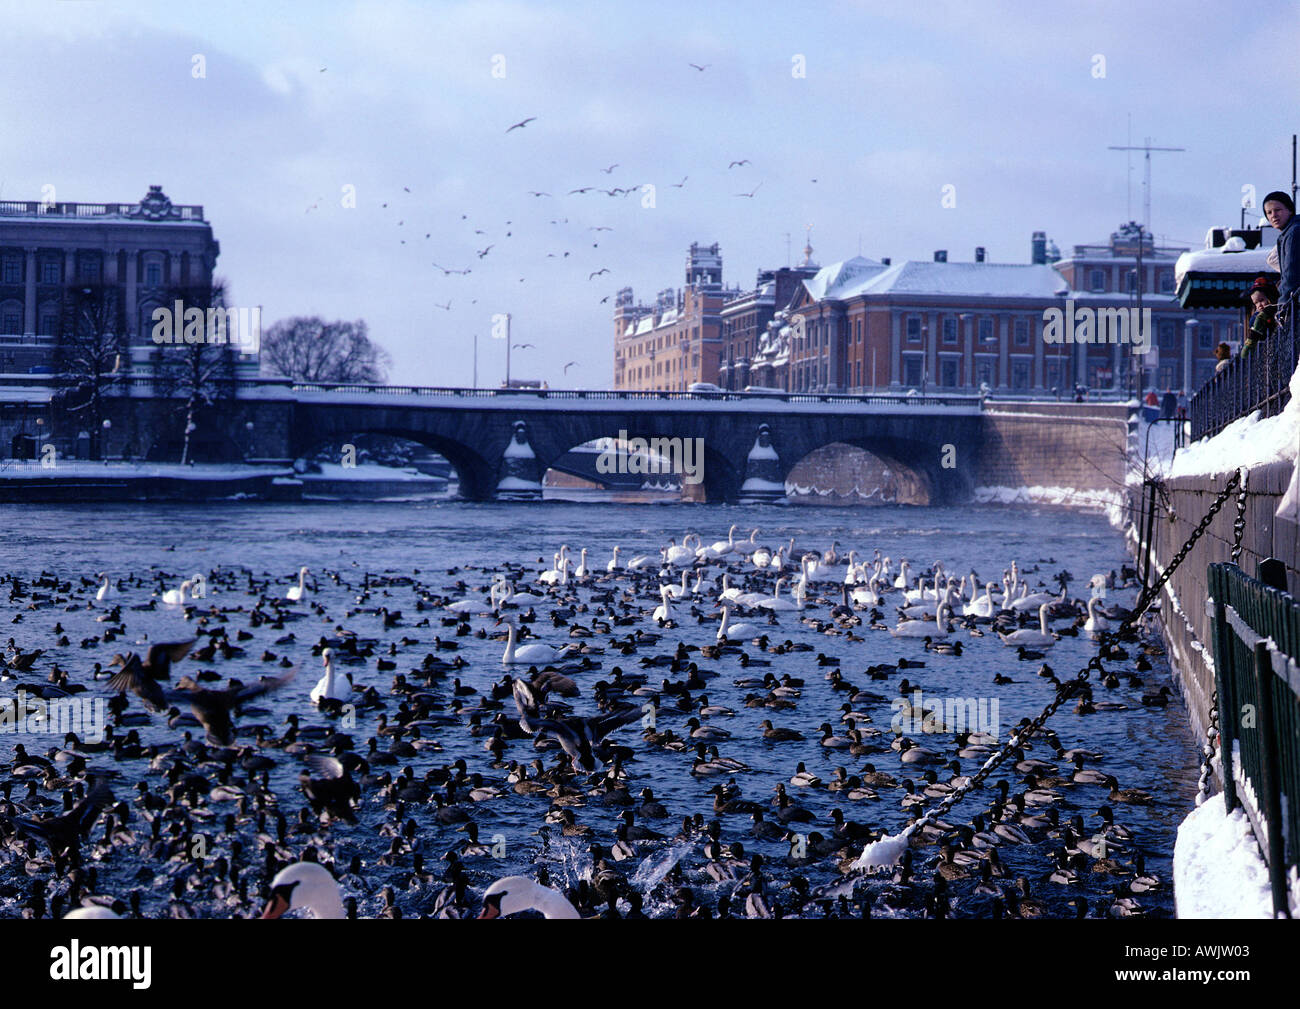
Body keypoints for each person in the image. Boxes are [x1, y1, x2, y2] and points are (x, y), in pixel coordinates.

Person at [1263, 191, 1298, 323]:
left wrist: (1283, 305)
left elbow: (1291, 272)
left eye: (1278, 210)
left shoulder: (1294, 232)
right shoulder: (1288, 232)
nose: (1273, 216)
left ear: (1289, 210)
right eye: (1269, 213)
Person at [1242, 275, 1278, 357]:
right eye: (1256, 303)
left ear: (1270, 296)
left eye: (1261, 300)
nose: (1259, 305)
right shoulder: (1257, 316)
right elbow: (1253, 326)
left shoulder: (1278, 312)